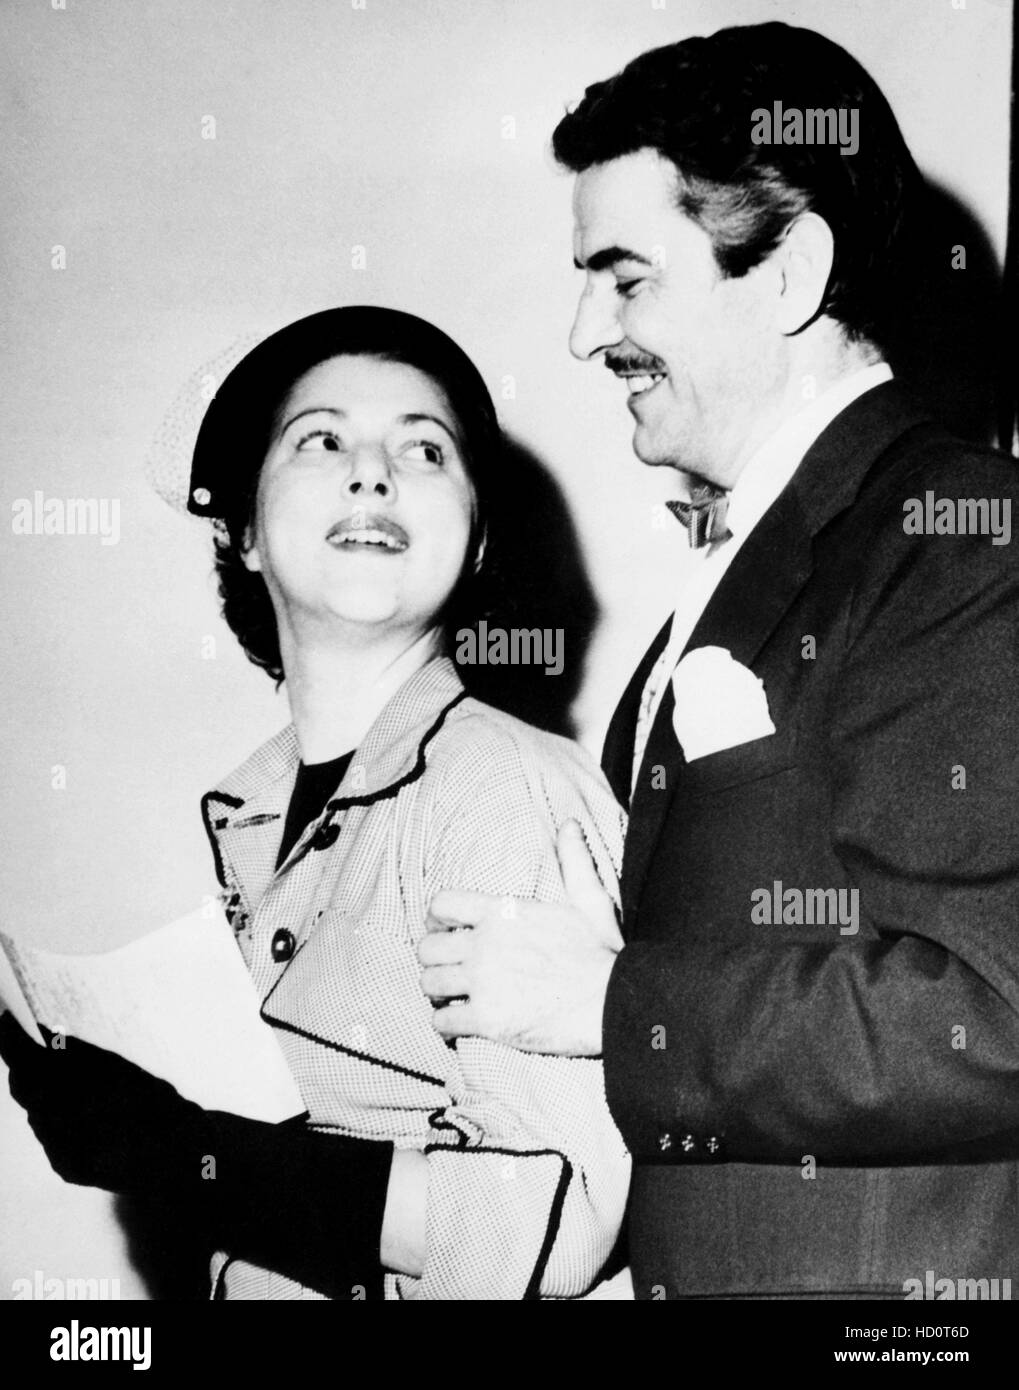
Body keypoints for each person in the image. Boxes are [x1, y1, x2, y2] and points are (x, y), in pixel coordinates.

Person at [418, 24, 1019, 1300]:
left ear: (790, 269)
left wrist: (611, 1001)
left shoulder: (957, 533)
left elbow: (987, 1013)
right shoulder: (758, 553)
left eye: (624, 279)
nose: (585, 333)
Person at [0, 305, 630, 1300]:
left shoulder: (502, 787)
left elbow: (556, 1218)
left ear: (474, 548)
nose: (372, 471)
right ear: (244, 531)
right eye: (321, 438)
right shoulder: (250, 811)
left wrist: (197, 1157)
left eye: (425, 449)